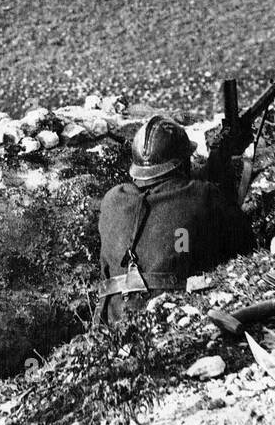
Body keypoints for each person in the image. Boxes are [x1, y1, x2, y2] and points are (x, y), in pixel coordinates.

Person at [95, 114, 254, 327]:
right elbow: (244, 243)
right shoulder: (202, 196)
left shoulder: (113, 199)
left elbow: (171, 198)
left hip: (111, 319)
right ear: (181, 163)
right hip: (167, 315)